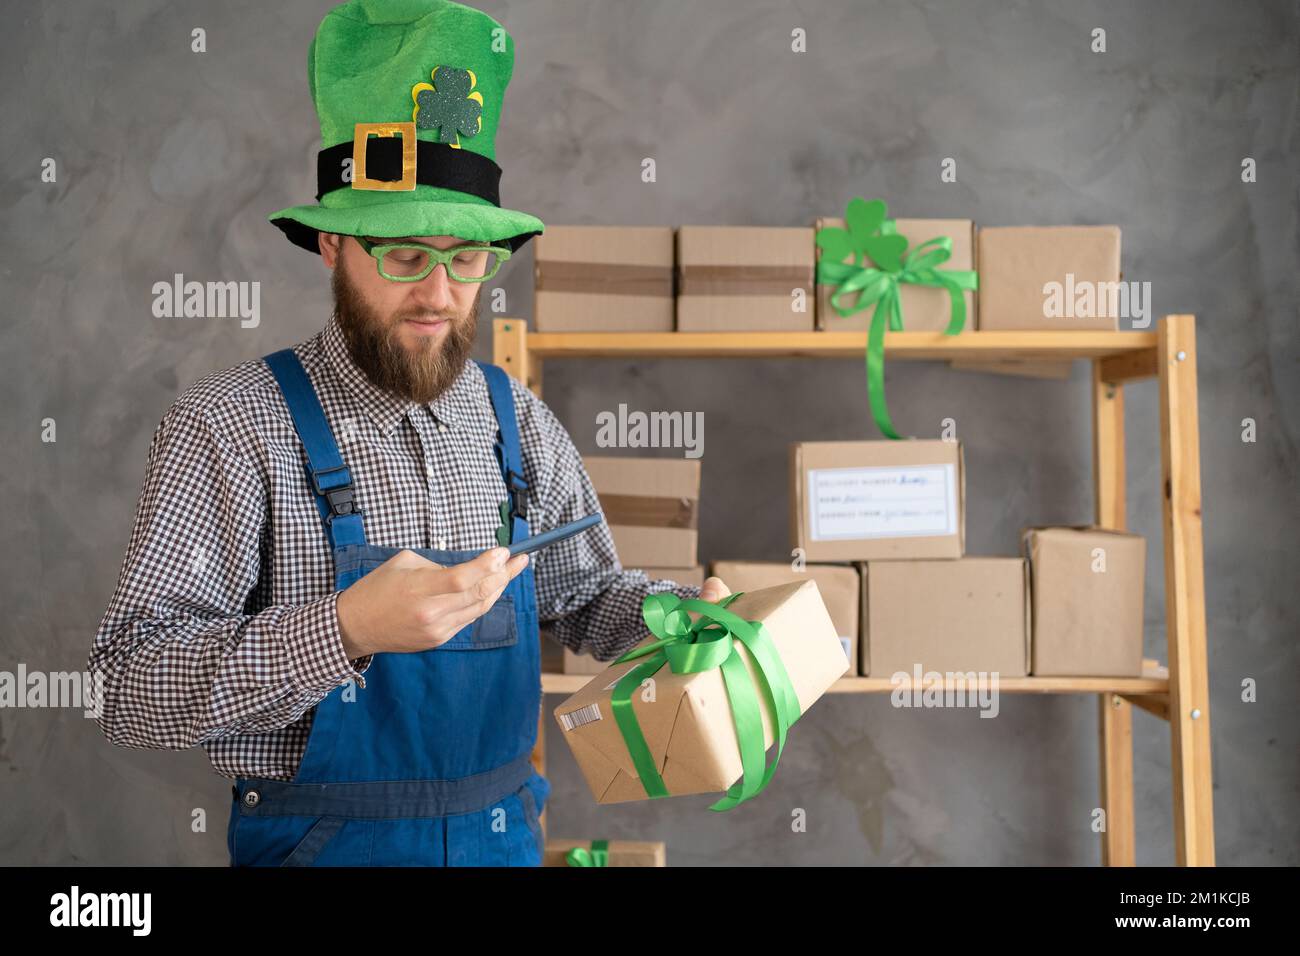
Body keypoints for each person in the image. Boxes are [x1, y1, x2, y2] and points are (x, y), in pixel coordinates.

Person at [89, 0, 728, 867]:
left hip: (504, 837)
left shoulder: (521, 424)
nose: (438, 292)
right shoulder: (231, 427)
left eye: (467, 259)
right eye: (403, 256)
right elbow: (131, 687)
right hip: (321, 846)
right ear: (331, 248)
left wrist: (681, 623)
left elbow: (585, 595)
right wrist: (346, 627)